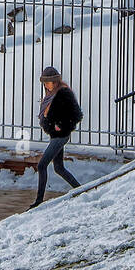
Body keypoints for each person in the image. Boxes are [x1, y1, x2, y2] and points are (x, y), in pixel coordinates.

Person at [30, 66, 83, 209]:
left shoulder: (63, 93)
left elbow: (76, 114)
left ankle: (39, 201)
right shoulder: (51, 94)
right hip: (56, 135)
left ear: (54, 81)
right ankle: (80, 190)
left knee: (42, 165)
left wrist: (61, 125)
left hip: (60, 136)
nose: (45, 85)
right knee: (59, 168)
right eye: (44, 82)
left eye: (47, 82)